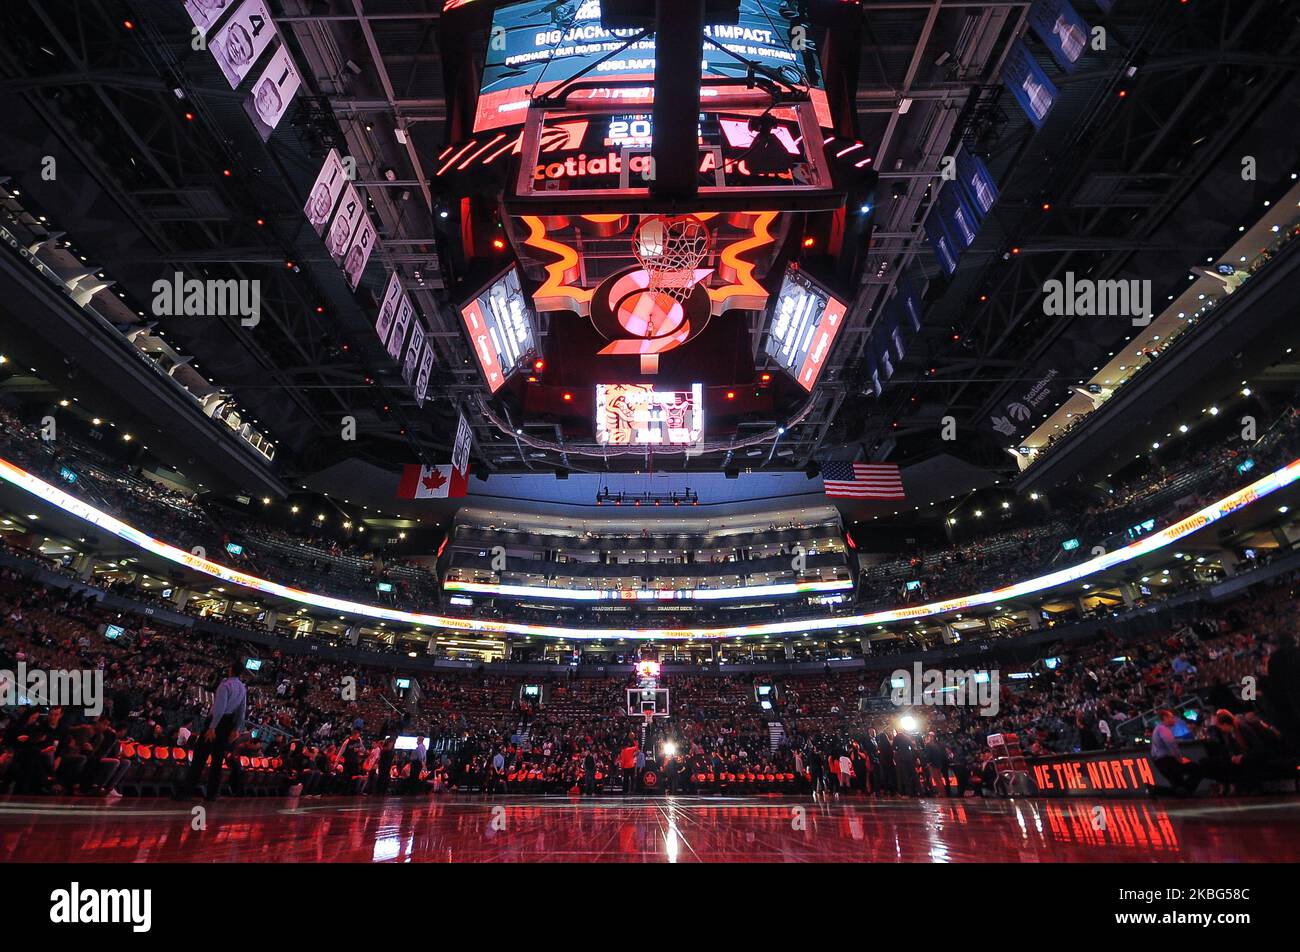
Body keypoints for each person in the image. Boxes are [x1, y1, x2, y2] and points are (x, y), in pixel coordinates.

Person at [175, 660, 247, 801]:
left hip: (216, 724)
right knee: (217, 761)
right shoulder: (242, 688)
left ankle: (186, 792)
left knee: (199, 758)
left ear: (231, 669)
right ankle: (212, 794)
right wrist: (236, 729)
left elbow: (219, 708)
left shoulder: (225, 685)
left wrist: (212, 727)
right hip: (228, 725)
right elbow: (242, 711)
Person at [1150, 709, 1201, 796]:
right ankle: (1186, 791)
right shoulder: (1163, 729)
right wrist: (1180, 759)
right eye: (1172, 717)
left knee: (1178, 787)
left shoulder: (1158, 729)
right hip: (1166, 761)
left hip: (1160, 761)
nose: (1174, 719)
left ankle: (1154, 789)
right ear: (1165, 718)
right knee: (1197, 769)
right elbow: (1172, 746)